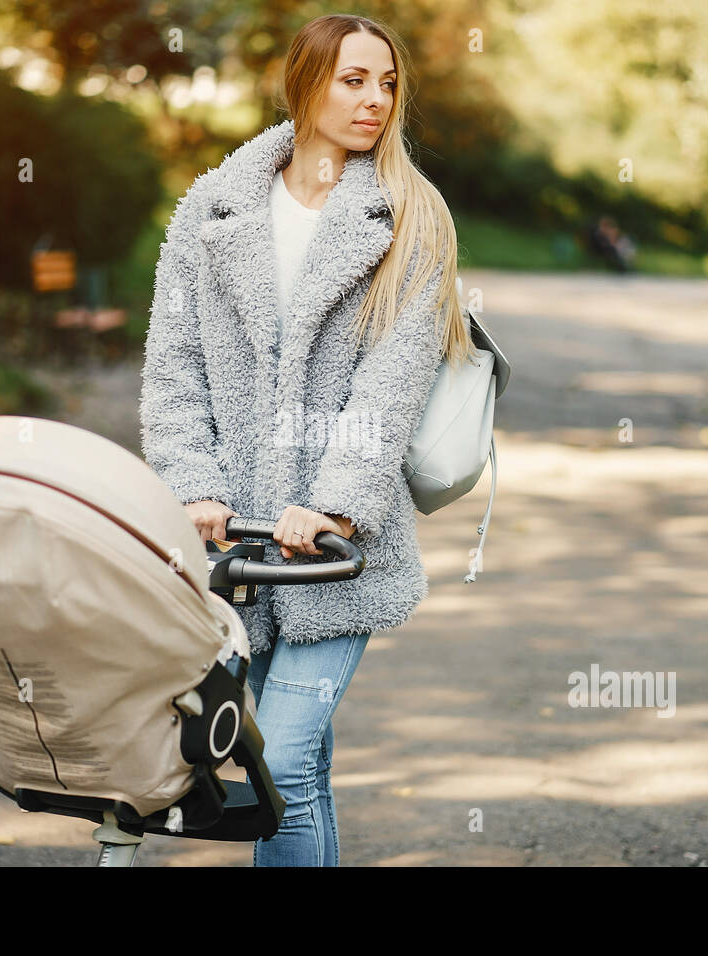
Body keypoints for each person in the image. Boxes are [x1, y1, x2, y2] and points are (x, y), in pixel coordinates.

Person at [138, 13, 474, 866]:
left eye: (388, 83)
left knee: (276, 763)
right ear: (305, 82)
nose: (375, 101)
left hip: (334, 556)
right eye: (354, 80)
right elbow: (174, 365)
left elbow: (392, 385)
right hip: (235, 551)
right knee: (298, 768)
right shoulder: (212, 208)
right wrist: (191, 483)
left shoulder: (412, 218)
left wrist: (332, 505)